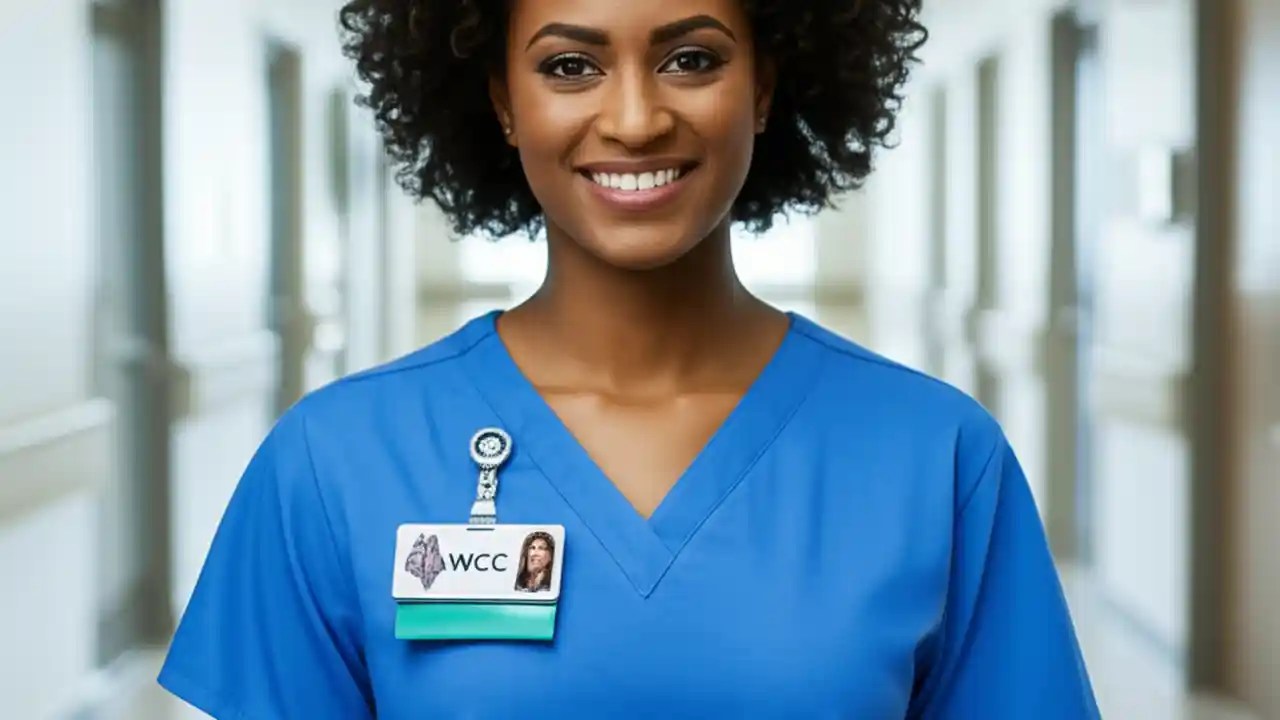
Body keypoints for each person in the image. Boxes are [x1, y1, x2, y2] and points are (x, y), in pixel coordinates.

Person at [157, 0, 1102, 717]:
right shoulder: (335, 460)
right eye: (570, 66)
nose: (637, 118)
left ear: (766, 85)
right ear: (502, 100)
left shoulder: (935, 456)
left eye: (692, 59)